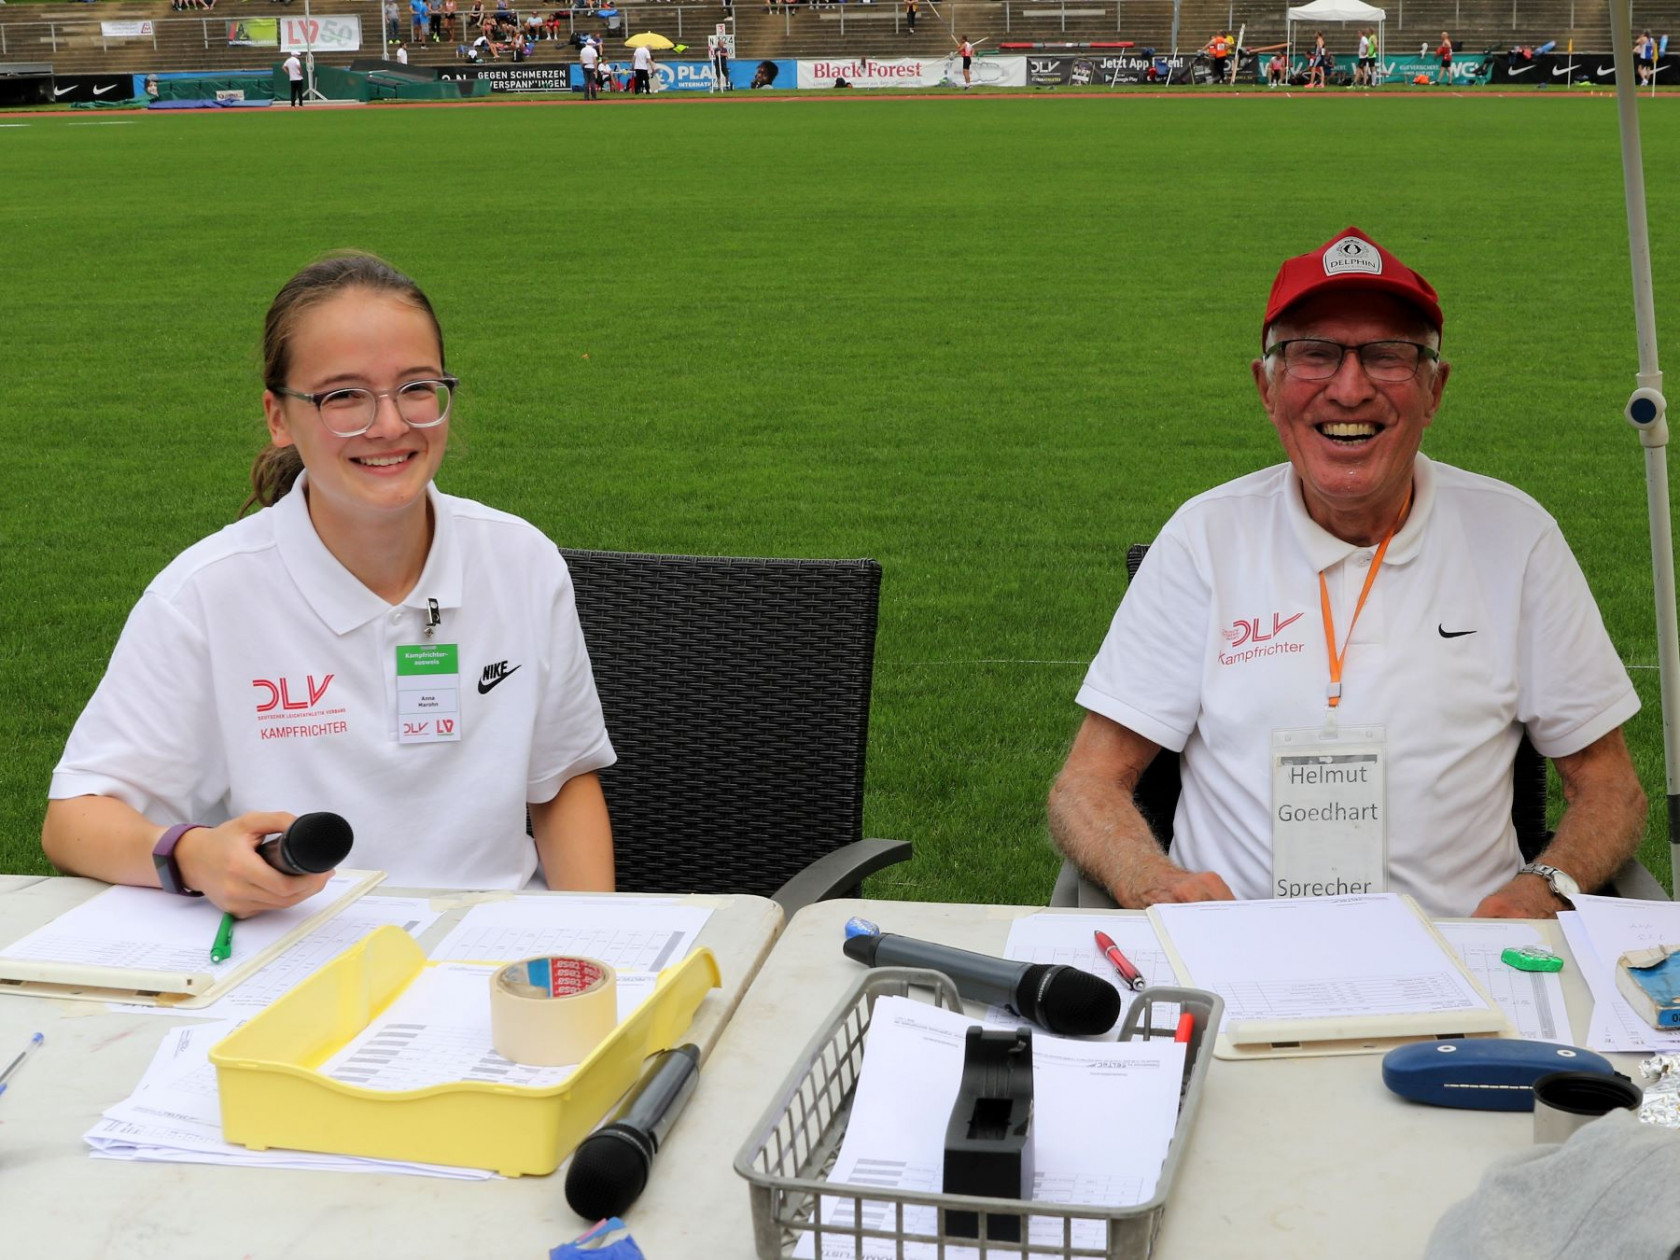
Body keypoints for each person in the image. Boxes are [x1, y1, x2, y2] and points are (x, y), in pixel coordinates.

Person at [1047, 226, 1645, 921]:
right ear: (1266, 387)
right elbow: (1087, 783)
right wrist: (1151, 878)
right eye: (1314, 354)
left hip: (1463, 951)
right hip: (1238, 946)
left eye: (1388, 356)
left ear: (1434, 389)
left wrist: (1546, 886)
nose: (1351, 389)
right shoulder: (1205, 536)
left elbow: (1609, 784)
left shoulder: (1517, 537)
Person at [41, 254, 617, 917]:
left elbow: (561, 783)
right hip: (298, 951)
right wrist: (195, 854)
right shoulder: (206, 596)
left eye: (416, 387)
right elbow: (74, 821)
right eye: (343, 396)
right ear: (279, 417)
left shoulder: (521, 560)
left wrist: (596, 939)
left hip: (493, 948)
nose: (390, 425)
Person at [580, 33, 599, 98]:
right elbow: (595, 60)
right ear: (590, 44)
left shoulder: (583, 50)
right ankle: (593, 96)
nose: (593, 45)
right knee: (592, 82)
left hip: (585, 66)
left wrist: (582, 66)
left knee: (586, 82)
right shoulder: (593, 50)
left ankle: (586, 96)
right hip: (591, 67)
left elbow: (581, 59)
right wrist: (596, 70)